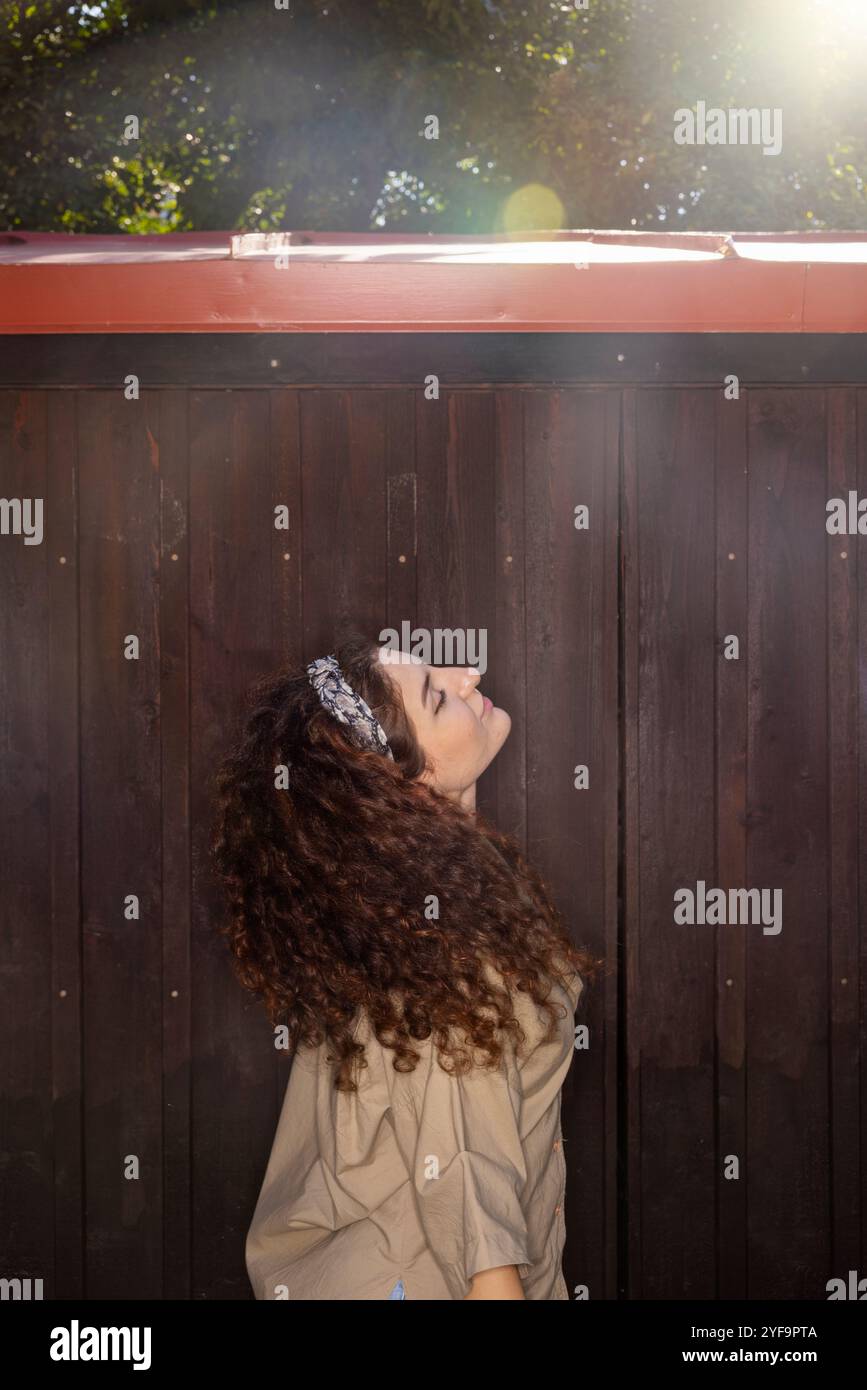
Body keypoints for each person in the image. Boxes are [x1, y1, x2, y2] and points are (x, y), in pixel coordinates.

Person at [211, 634, 599, 1300]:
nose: (468, 672)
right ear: (409, 786)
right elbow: (475, 1219)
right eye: (437, 693)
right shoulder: (438, 952)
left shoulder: (405, 912)